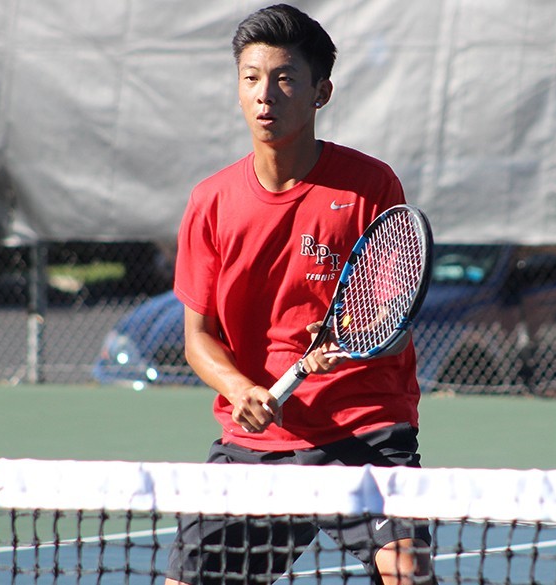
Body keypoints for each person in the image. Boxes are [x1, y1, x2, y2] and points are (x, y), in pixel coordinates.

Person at [165, 4, 433, 584]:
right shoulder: (211, 201)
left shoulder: (369, 186)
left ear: (320, 92)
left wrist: (355, 340)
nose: (265, 94)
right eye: (251, 78)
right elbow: (198, 338)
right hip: (254, 442)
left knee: (406, 570)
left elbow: (393, 325)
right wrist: (240, 388)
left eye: (285, 78)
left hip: (362, 431)